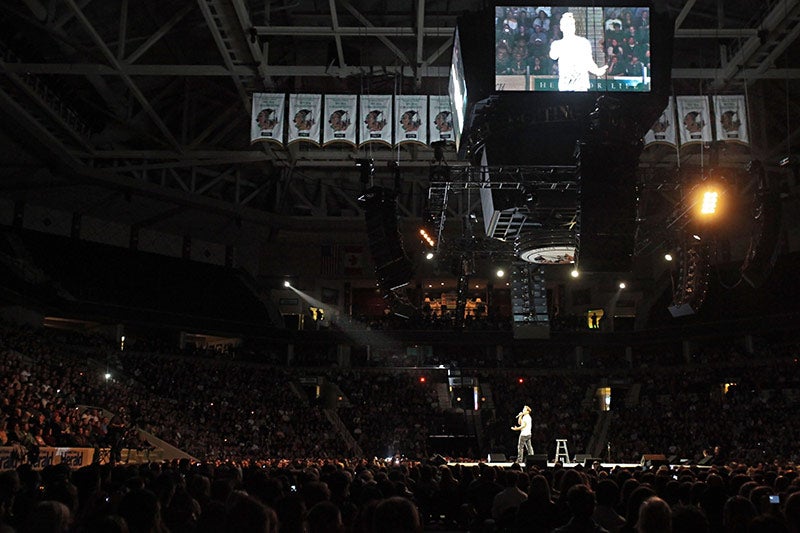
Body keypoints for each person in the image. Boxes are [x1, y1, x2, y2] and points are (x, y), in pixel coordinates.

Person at [549, 12, 608, 91]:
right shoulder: (557, 44)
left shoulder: (583, 42)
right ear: (561, 27)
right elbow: (553, 56)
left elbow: (588, 62)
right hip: (565, 85)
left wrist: (597, 71)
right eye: (567, 24)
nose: (570, 27)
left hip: (581, 85)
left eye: (572, 24)